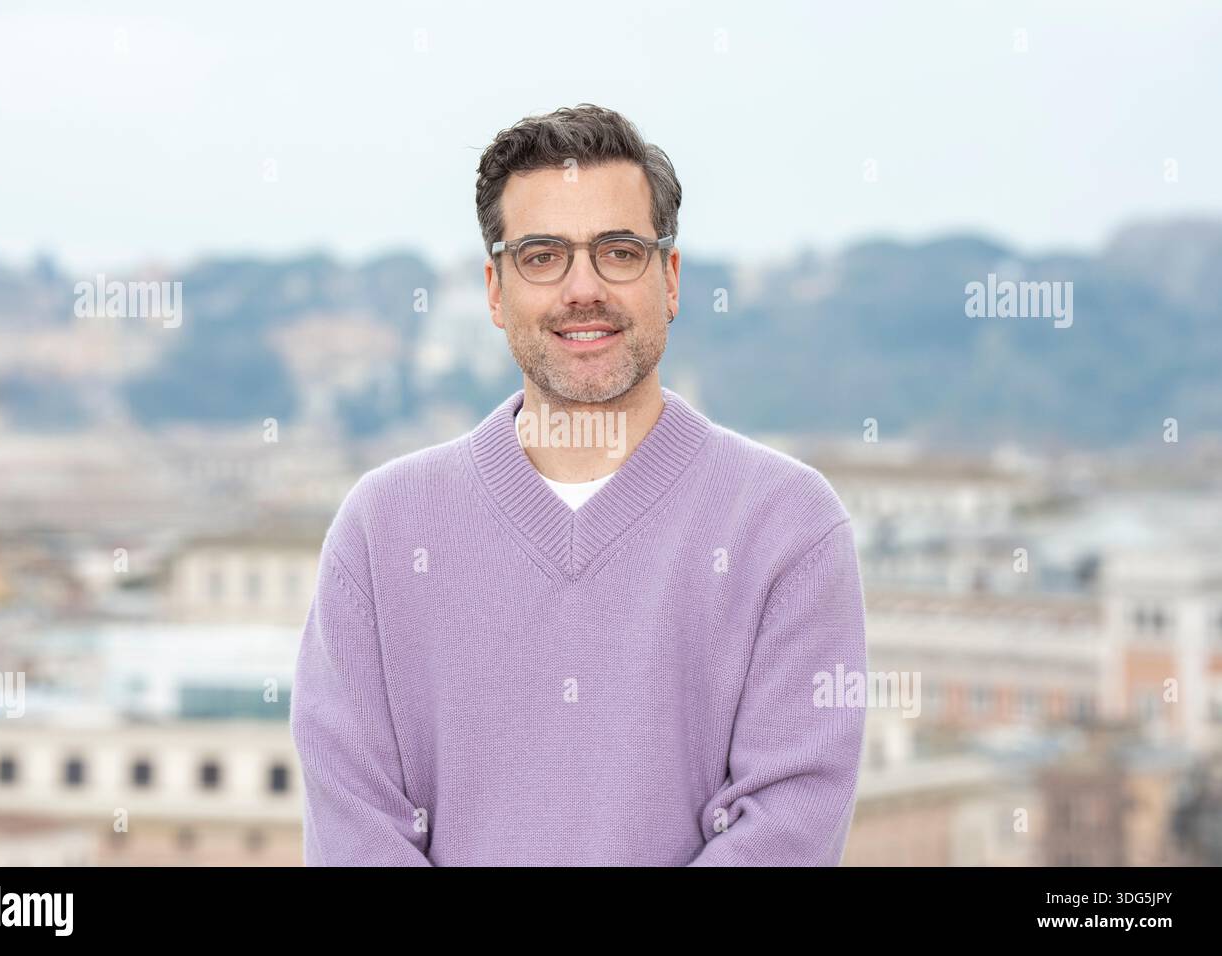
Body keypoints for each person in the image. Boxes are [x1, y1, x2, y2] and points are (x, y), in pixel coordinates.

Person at [290, 103, 867, 865]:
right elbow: (354, 832)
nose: (582, 288)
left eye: (619, 252)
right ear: (495, 292)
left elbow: (789, 828)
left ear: (670, 277)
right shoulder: (380, 529)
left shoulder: (788, 526)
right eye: (542, 256)